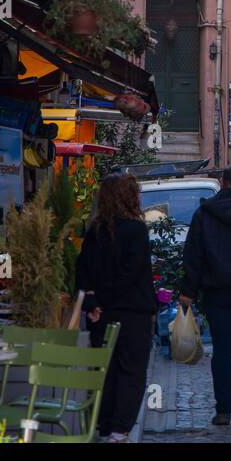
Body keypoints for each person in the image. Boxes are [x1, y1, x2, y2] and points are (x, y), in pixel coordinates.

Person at [179, 165, 231, 426]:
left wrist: (188, 292)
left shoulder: (205, 213)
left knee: (221, 350)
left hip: (215, 290)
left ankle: (223, 408)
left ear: (223, 182)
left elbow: (194, 255)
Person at [76, 171, 155, 442]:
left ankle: (103, 425)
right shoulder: (136, 230)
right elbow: (132, 273)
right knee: (131, 371)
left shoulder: (95, 231)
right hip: (133, 312)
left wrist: (94, 301)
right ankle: (120, 429)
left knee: (104, 370)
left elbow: (82, 270)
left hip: (102, 313)